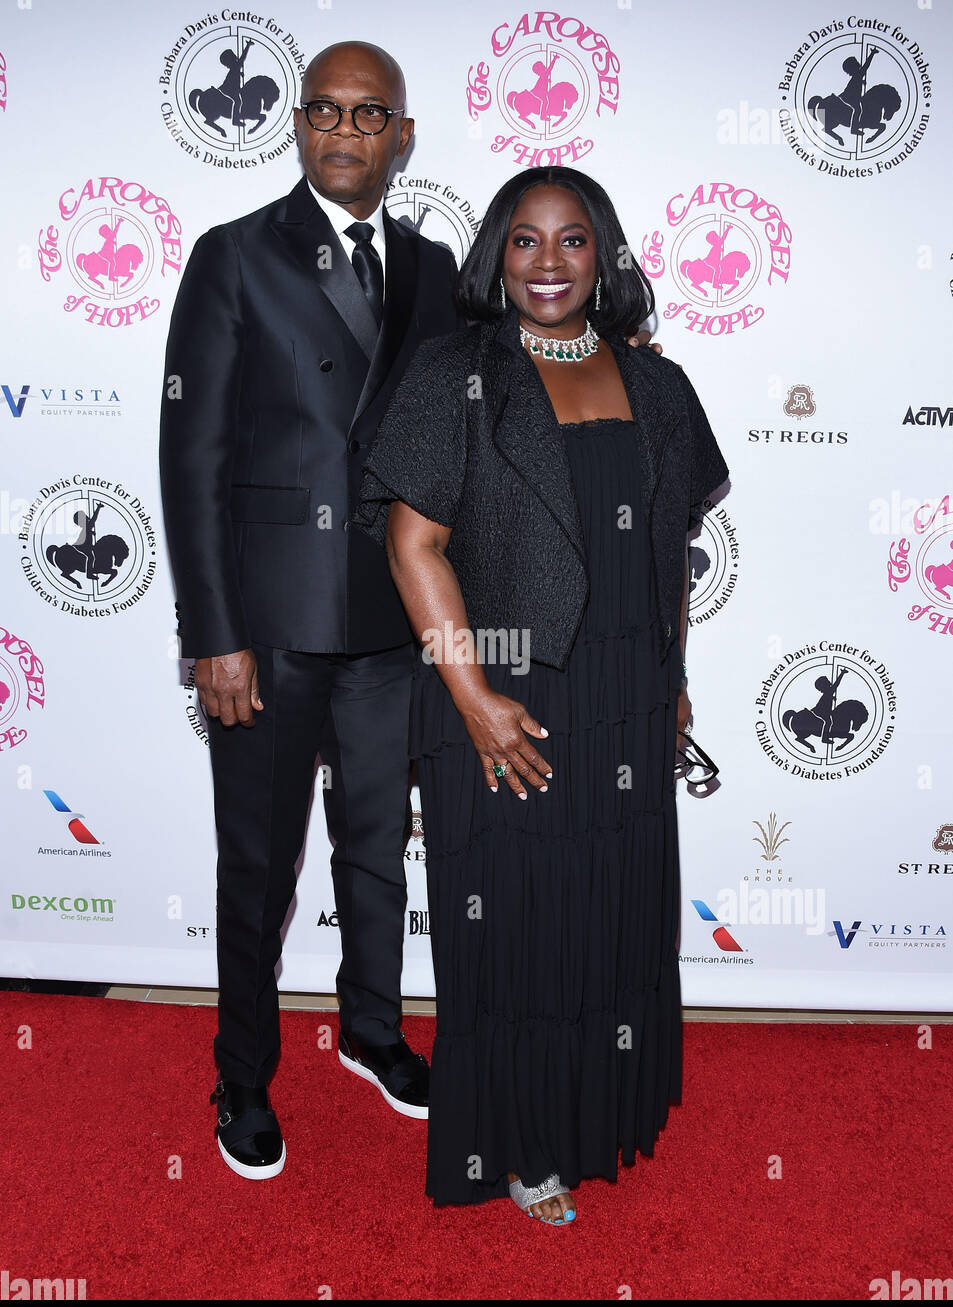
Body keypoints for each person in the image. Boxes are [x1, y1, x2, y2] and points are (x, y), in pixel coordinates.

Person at [351, 168, 729, 1223]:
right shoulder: (452, 373)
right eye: (525, 240)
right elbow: (410, 544)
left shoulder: (655, 384)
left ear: (603, 255)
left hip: (623, 687)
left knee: (611, 914)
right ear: (495, 257)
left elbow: (667, 551)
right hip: (502, 686)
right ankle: (521, 1141)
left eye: (572, 239)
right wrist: (469, 698)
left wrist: (673, 679)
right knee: (514, 921)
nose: (550, 261)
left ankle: (597, 1108)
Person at [159, 41, 461, 1180]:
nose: (343, 131)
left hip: (391, 621)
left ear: (401, 134)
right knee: (258, 863)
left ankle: (372, 1030)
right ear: (297, 124)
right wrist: (212, 635)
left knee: (378, 848)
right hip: (271, 631)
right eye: (324, 111)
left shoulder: (435, 272)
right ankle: (242, 1074)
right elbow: (192, 461)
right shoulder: (234, 257)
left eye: (368, 113)